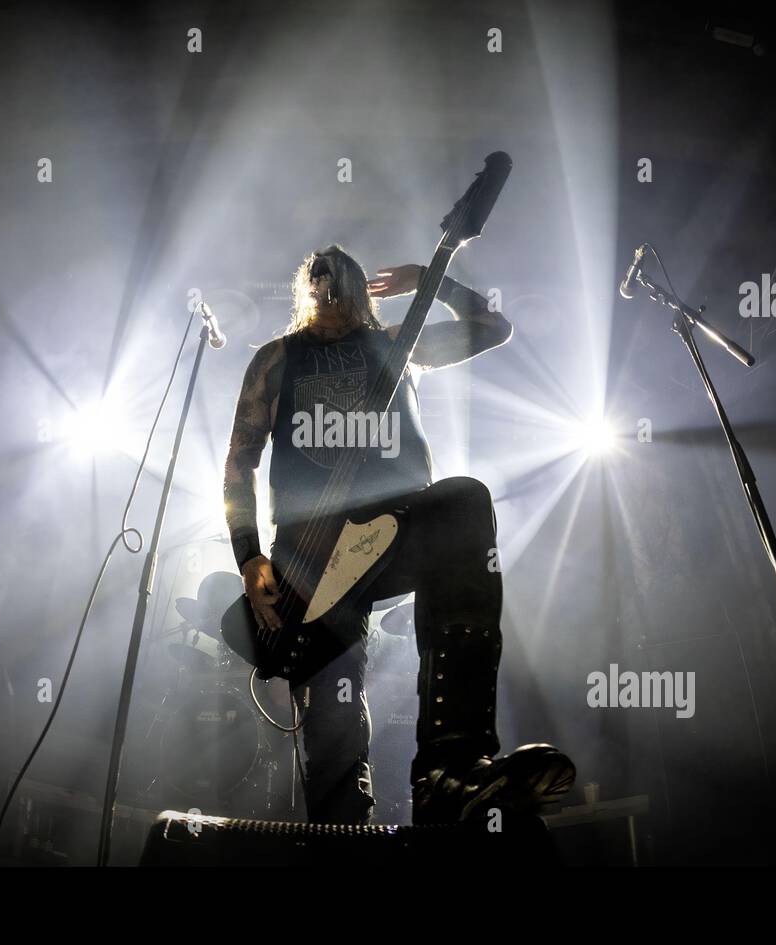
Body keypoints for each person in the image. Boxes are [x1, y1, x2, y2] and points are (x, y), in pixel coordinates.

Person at [222, 245, 574, 825]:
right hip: (309, 551)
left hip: (394, 528)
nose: (328, 286)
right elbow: (241, 460)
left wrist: (434, 280)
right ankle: (342, 833)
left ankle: (452, 764)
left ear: (364, 290)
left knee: (463, 500)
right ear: (304, 290)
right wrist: (248, 554)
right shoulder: (276, 358)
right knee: (333, 706)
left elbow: (493, 327)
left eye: (341, 279)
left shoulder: (397, 344)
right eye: (318, 278)